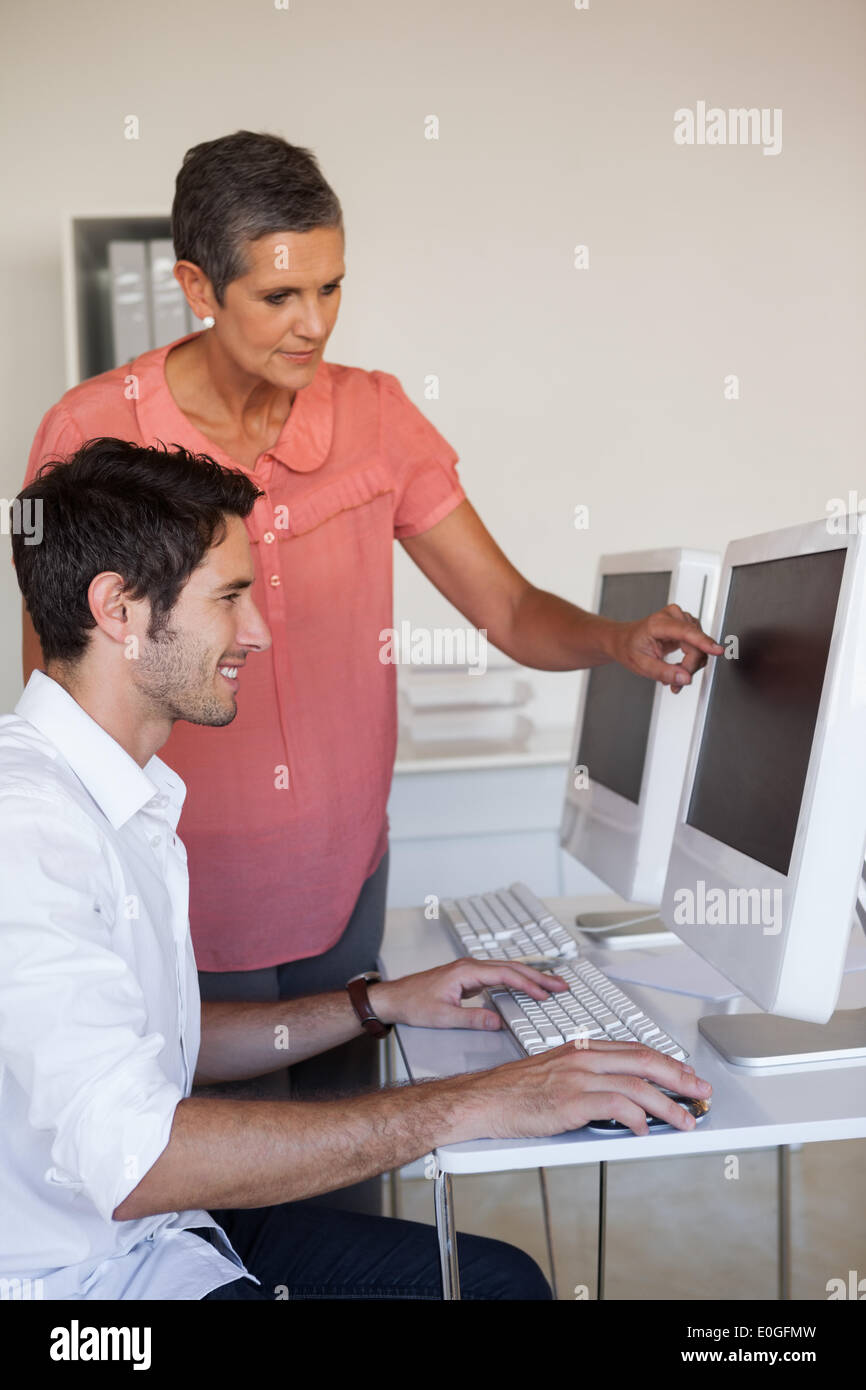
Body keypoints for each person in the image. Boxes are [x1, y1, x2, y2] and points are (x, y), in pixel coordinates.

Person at [20, 133, 722, 1217]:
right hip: (176, 885)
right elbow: (61, 685)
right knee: (190, 1205)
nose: (314, 322)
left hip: (340, 877)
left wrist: (615, 639)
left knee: (343, 1185)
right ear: (197, 287)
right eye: (279, 295)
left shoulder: (377, 416)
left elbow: (507, 608)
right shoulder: (93, 428)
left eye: (332, 287)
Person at [2, 440, 712, 1300]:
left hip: (162, 1233)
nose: (258, 631)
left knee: (499, 1282)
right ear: (118, 608)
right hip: (82, 1279)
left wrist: (373, 1004)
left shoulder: (120, 794)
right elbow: (138, 1159)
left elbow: (158, 1041)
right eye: (228, 597)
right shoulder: (29, 826)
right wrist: (482, 1100)